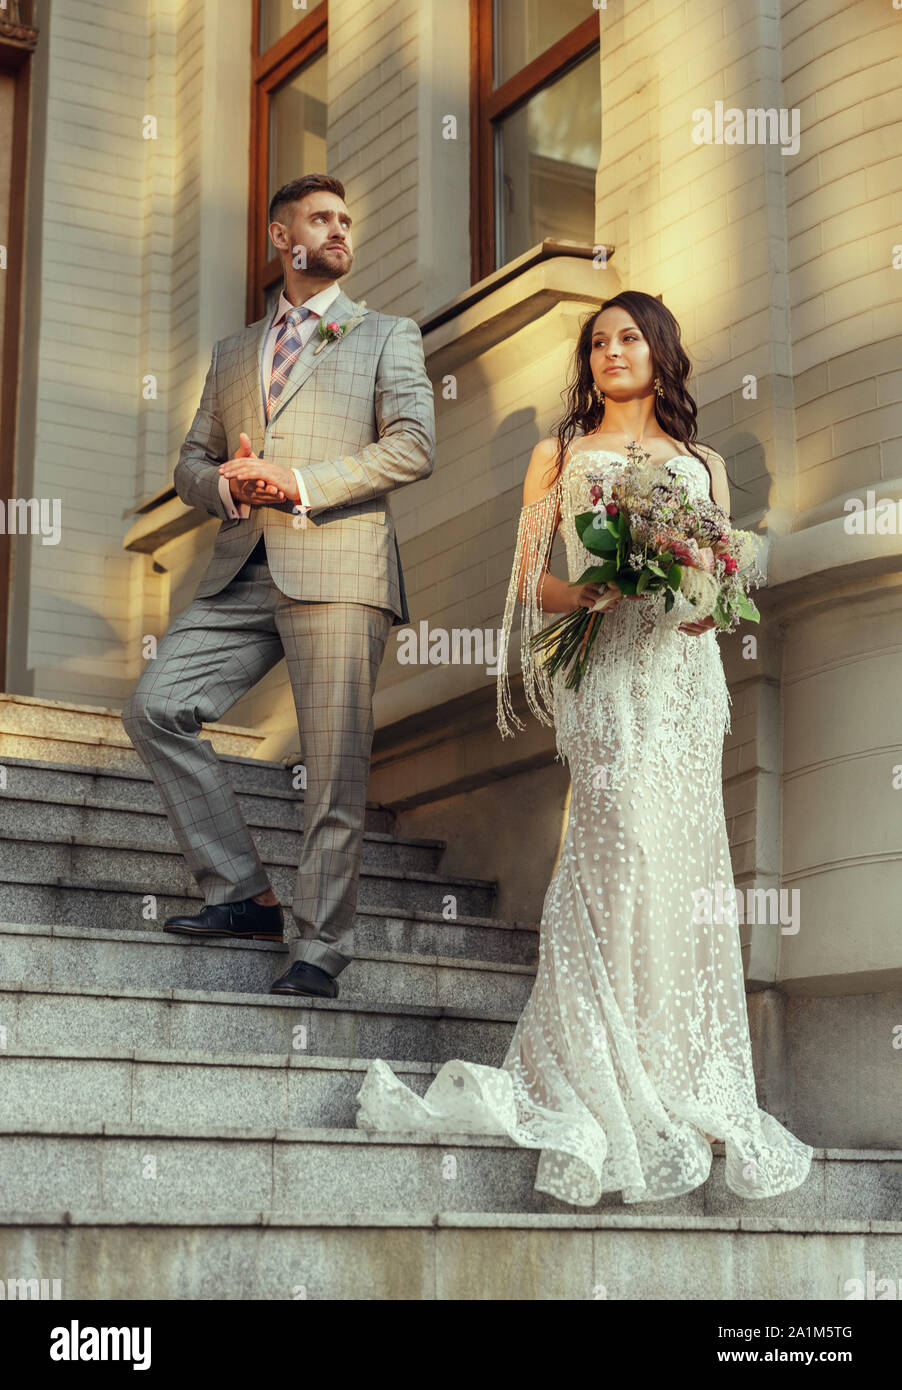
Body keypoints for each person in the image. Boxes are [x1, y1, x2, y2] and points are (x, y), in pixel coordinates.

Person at [354, 290, 812, 1207]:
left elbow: (720, 579)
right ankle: (597, 1066)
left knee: (680, 863)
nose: (612, 351)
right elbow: (530, 581)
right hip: (607, 682)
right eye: (598, 341)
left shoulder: (703, 463)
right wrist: (597, 597)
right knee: (617, 853)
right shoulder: (557, 456)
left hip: (681, 688)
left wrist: (699, 604)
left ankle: (677, 1067)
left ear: (660, 352)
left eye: (629, 337)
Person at [122, 173, 435, 999]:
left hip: (338, 566)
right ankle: (243, 894)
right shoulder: (231, 354)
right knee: (157, 705)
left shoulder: (386, 334)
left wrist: (295, 479)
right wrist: (227, 484)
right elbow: (191, 460)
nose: (339, 231)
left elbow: (411, 446)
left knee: (333, 769)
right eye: (321, 219)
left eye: (346, 219)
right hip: (243, 567)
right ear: (278, 236)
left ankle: (320, 947)